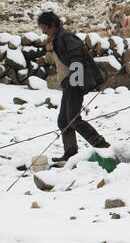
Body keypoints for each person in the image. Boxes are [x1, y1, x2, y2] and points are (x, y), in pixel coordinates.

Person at [36, 11, 109, 163]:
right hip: (70, 84)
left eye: (44, 28)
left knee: (73, 119)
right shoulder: (58, 37)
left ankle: (103, 147)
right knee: (64, 121)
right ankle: (71, 154)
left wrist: (74, 82)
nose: (43, 31)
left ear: (53, 25)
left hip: (75, 83)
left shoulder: (66, 37)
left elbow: (77, 55)